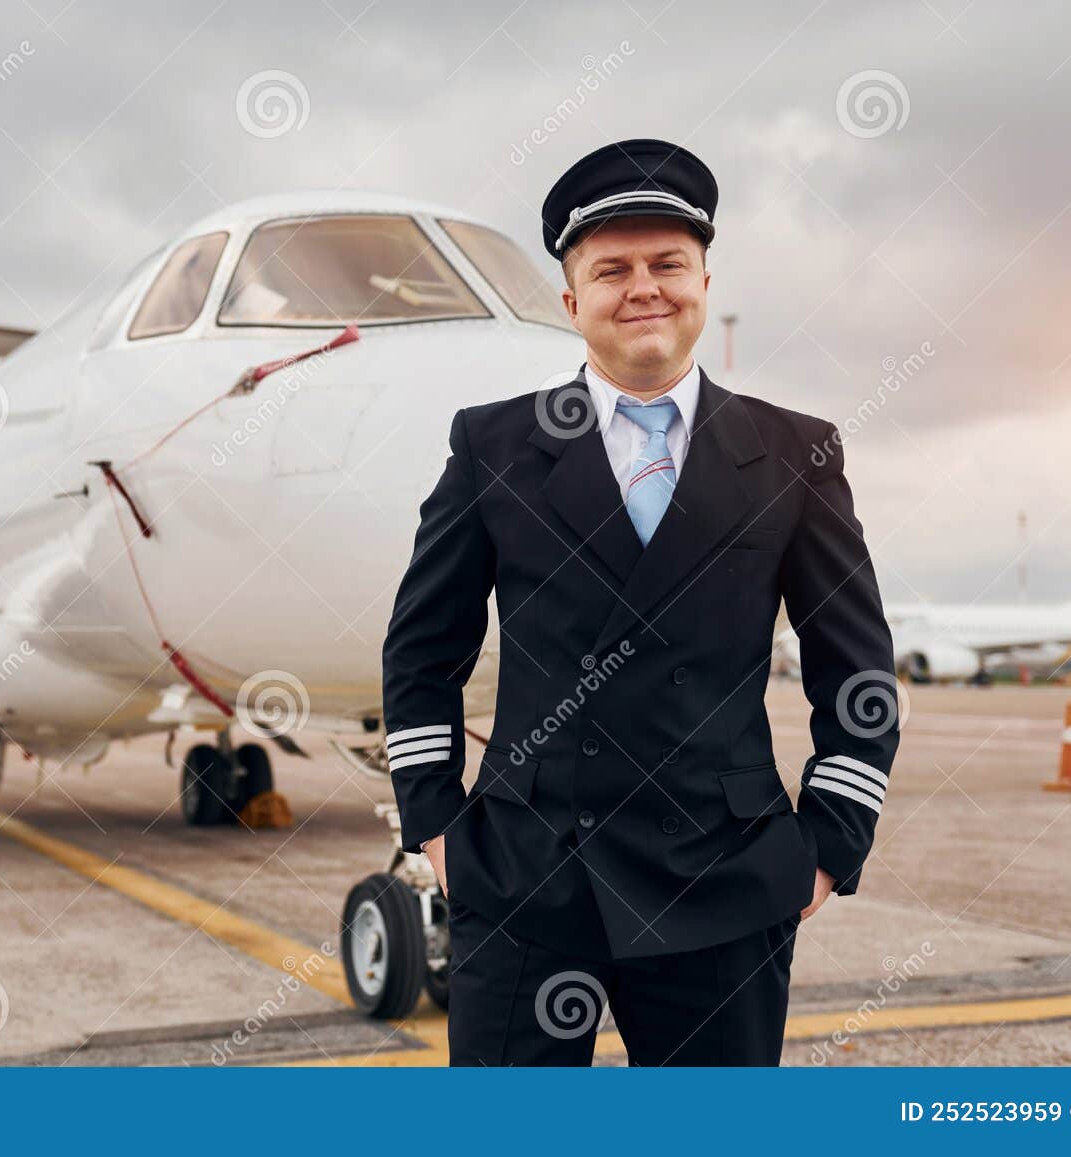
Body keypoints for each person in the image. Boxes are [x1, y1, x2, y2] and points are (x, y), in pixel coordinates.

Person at [381, 138, 900, 1065]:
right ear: (573, 301)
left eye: (668, 263)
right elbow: (422, 653)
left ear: (704, 279)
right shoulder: (494, 445)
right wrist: (434, 826)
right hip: (526, 882)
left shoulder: (797, 454)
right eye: (612, 269)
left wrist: (826, 844)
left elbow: (856, 671)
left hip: (726, 884)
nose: (644, 287)